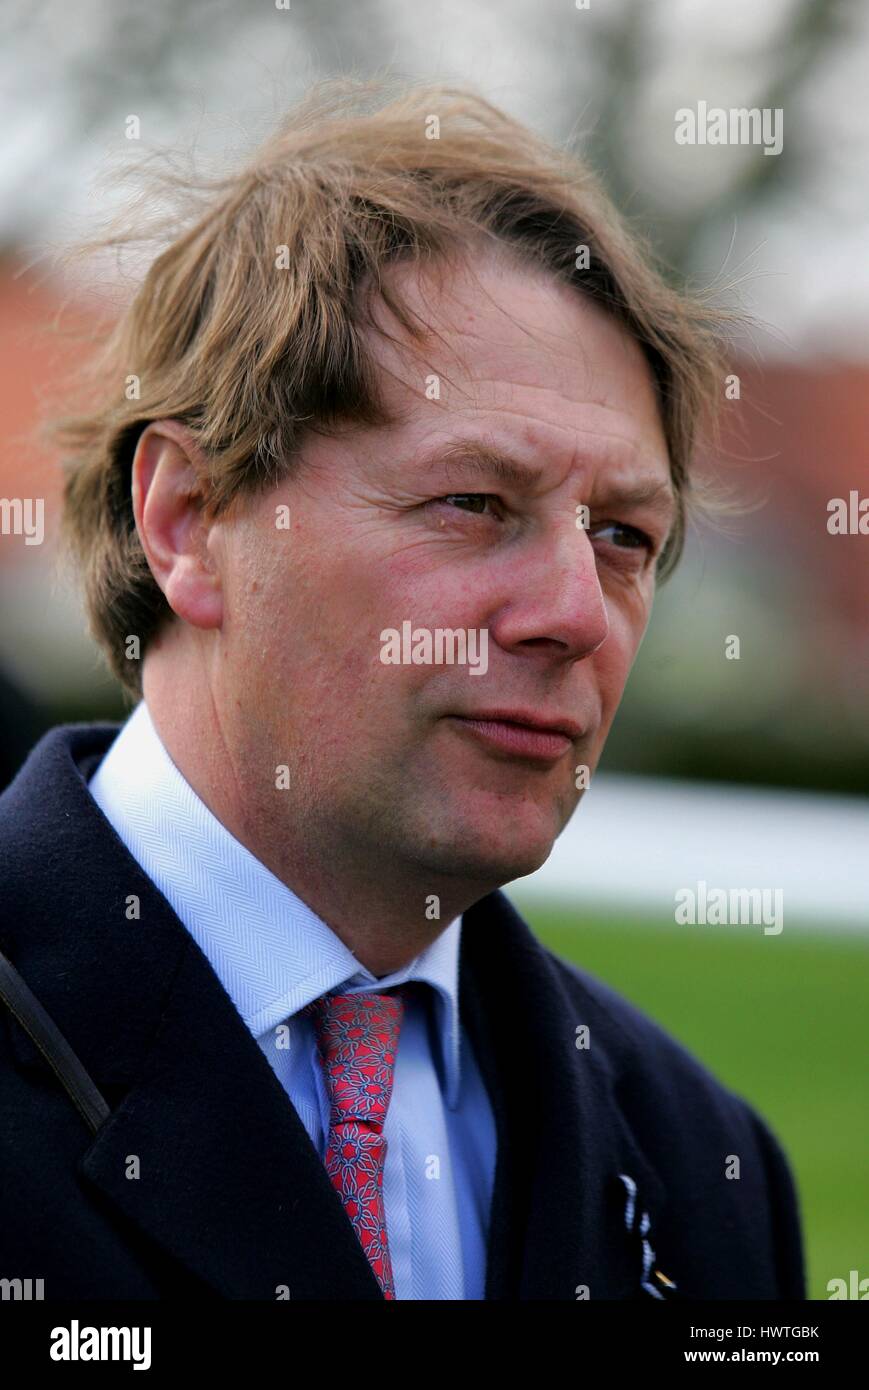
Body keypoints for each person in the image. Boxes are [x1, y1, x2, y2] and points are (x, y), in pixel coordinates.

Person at [0, 79, 804, 1300]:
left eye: (624, 536)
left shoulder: (706, 1168)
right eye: (471, 504)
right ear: (187, 518)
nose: (575, 613)